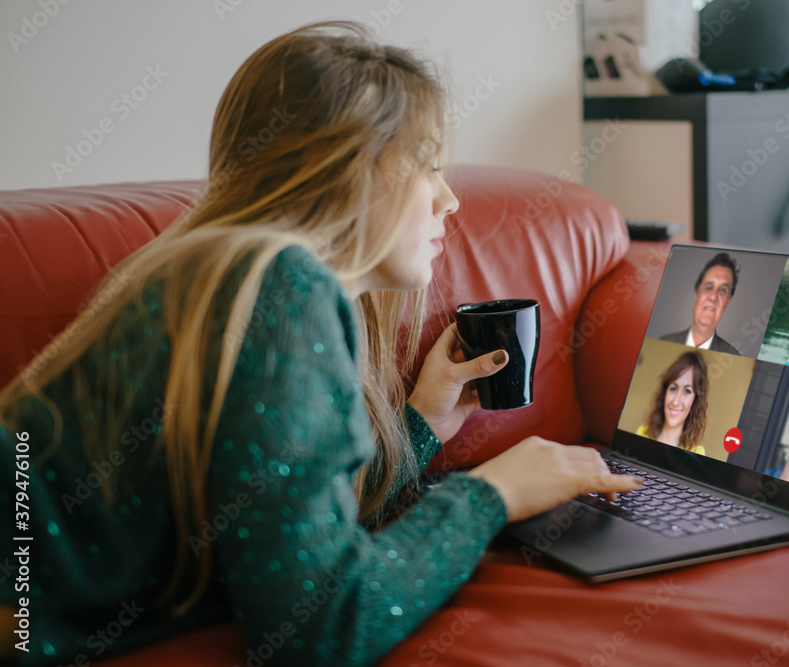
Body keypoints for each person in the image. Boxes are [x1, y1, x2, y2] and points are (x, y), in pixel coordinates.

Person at [0, 22, 642, 667]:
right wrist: (491, 494)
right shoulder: (281, 287)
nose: (449, 200)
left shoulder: (233, 270)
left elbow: (284, 534)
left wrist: (421, 426)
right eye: (427, 167)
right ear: (349, 172)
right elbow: (320, 629)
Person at [660, 252, 741, 355]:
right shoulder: (664, 343)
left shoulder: (733, 356)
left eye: (722, 290)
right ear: (696, 294)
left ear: (728, 301)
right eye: (708, 287)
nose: (713, 297)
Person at [636, 351, 709, 456]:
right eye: (673, 389)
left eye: (687, 391)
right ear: (665, 392)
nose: (675, 402)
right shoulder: (642, 433)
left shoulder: (696, 454)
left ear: (695, 401)